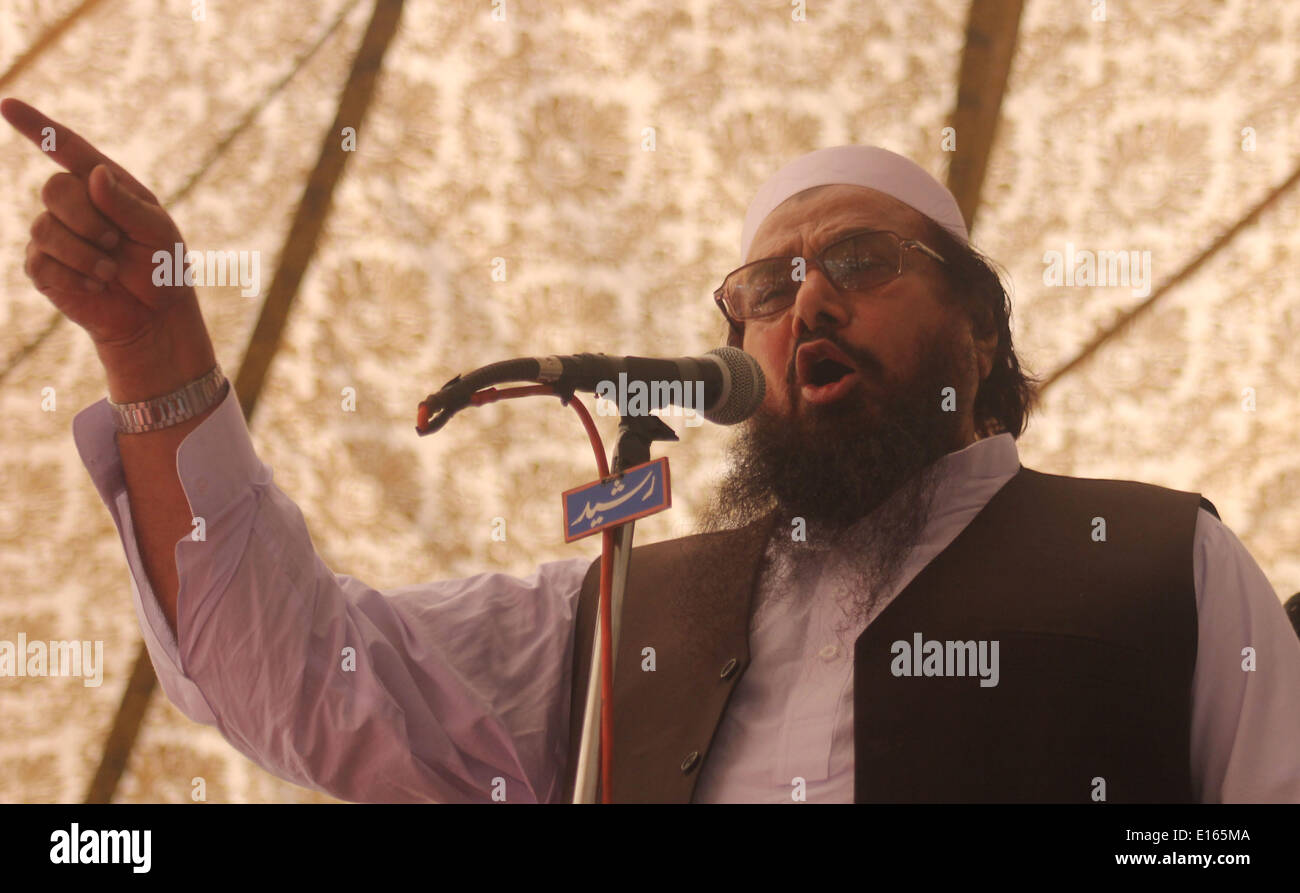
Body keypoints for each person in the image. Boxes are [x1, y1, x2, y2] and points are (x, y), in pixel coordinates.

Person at [8, 95, 1299, 803]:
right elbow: (297, 673)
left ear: (978, 322)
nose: (810, 303)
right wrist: (155, 354)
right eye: (768, 285)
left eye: (857, 262)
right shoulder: (620, 610)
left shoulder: (1154, 559)